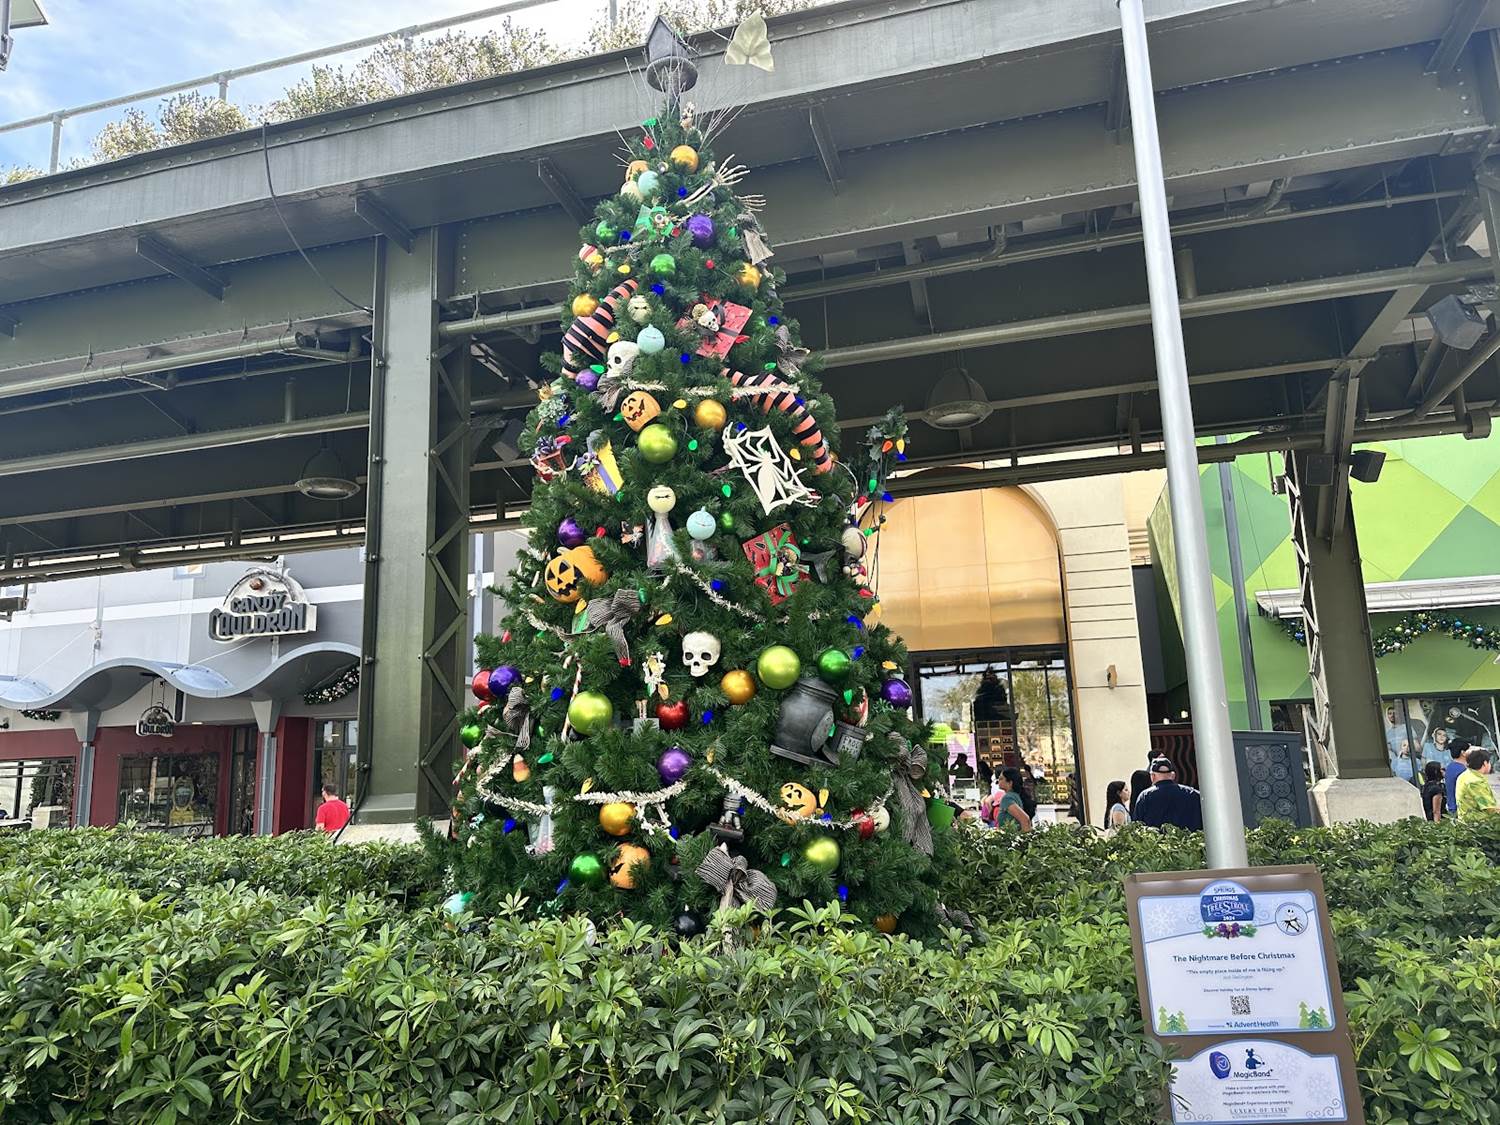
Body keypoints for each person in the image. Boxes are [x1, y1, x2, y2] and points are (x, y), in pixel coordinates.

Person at [1132, 757, 1204, 831]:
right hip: (1189, 841)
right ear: (1173, 775)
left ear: (1152, 776)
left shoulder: (1145, 796)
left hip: (1157, 841)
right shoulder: (1192, 793)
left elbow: (1137, 826)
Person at [981, 766, 1034, 831]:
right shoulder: (1014, 795)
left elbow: (1025, 819)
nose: (998, 781)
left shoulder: (1007, 798)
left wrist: (1024, 838)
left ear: (1010, 783)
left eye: (1001, 779)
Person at [1455, 748, 1500, 821]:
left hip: (1466, 822)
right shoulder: (1476, 782)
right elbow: (1490, 808)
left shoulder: (1465, 775)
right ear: (1485, 763)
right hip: (1478, 826)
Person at [1444, 737, 1470, 816]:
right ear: (1463, 752)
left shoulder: (1450, 767)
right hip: (1461, 810)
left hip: (1452, 807)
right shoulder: (1462, 770)